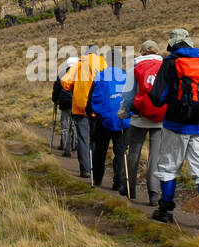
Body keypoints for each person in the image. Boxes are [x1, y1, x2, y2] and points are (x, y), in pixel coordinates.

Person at [148, 29, 199, 229]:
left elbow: (157, 97)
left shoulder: (170, 63)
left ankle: (166, 209)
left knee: (168, 167)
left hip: (174, 125)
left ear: (172, 45)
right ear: (189, 43)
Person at [119, 41, 166, 203]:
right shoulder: (165, 66)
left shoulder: (135, 67)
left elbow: (129, 95)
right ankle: (154, 193)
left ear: (142, 52)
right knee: (155, 156)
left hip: (139, 118)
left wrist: (125, 111)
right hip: (160, 119)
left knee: (134, 153)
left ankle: (129, 187)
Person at [86, 56, 130, 191]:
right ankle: (119, 181)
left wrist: (91, 113)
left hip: (103, 120)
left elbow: (93, 97)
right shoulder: (125, 76)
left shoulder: (100, 76)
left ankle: (98, 178)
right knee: (120, 151)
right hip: (122, 120)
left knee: (100, 150)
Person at [61, 46, 105, 178]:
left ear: (86, 53)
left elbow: (65, 81)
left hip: (81, 106)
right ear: (97, 53)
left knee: (83, 138)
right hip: (98, 106)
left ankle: (85, 169)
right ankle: (97, 170)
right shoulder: (103, 63)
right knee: (96, 139)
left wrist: (75, 87)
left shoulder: (80, 63)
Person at [52, 56, 79, 156]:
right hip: (76, 104)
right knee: (75, 126)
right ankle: (74, 144)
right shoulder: (80, 74)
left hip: (64, 104)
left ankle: (65, 145)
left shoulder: (61, 75)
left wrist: (55, 100)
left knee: (65, 126)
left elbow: (56, 90)